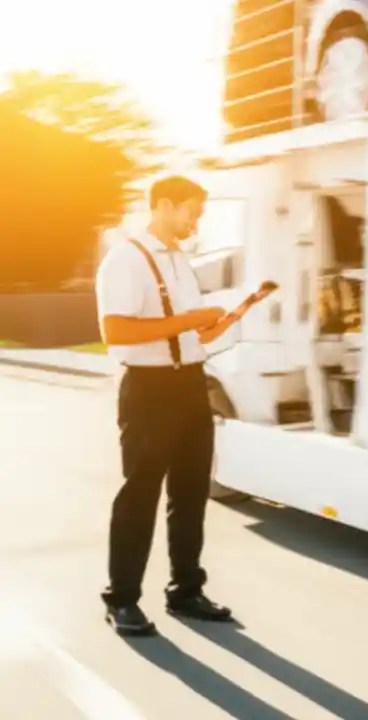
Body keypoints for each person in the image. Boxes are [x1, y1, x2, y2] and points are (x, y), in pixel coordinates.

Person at [95, 175, 239, 636]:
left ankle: (186, 591)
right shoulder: (126, 259)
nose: (197, 220)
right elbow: (115, 331)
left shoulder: (180, 259)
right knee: (140, 494)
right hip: (149, 390)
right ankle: (121, 599)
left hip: (190, 385)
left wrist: (212, 325)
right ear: (163, 205)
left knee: (191, 493)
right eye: (191, 211)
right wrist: (188, 320)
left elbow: (182, 331)